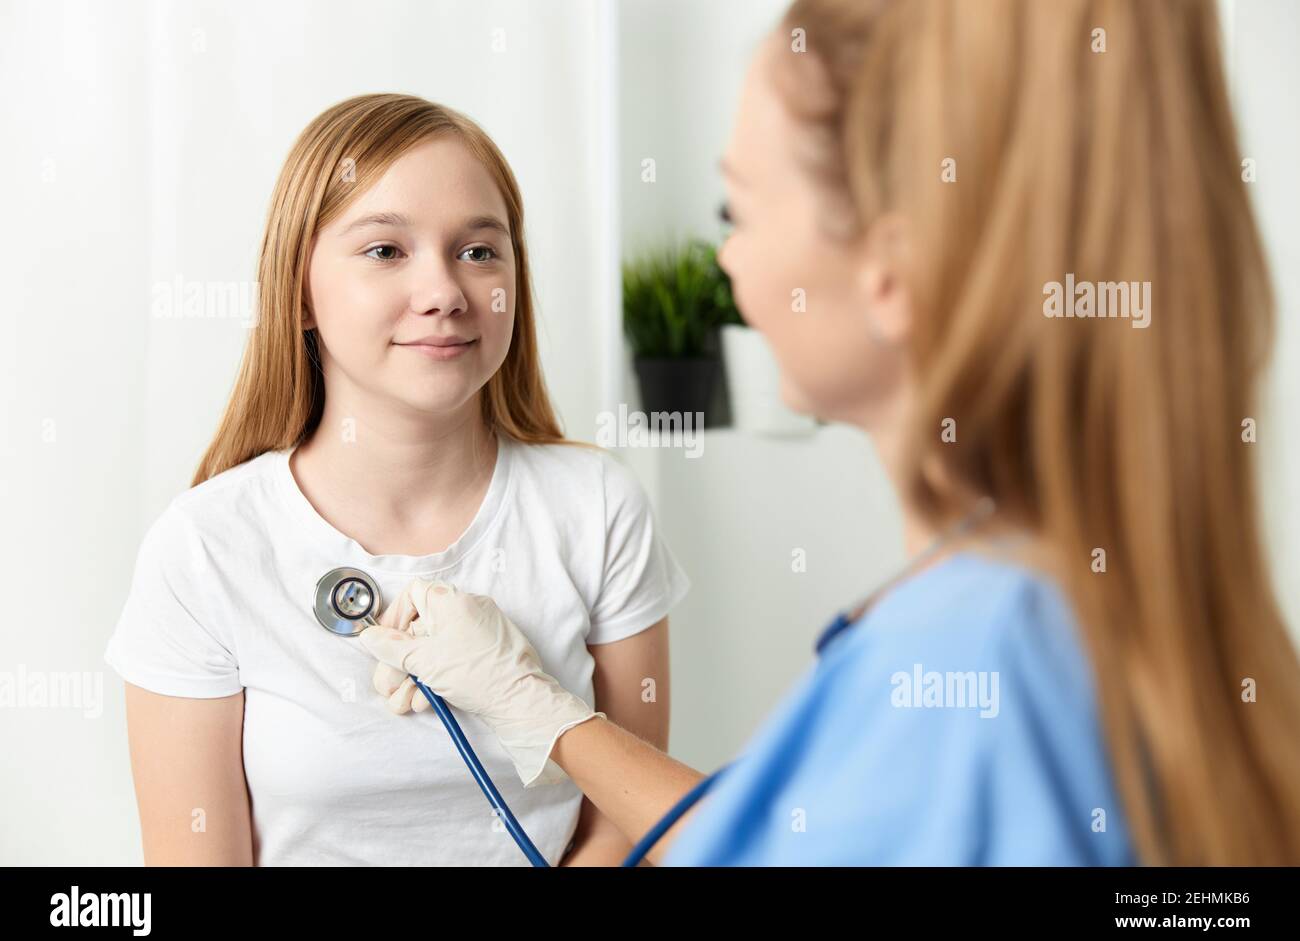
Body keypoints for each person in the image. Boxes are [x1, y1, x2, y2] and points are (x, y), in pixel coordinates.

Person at [357, 0, 1300, 865]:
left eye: (741, 213)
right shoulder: (1045, 601)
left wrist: (531, 707)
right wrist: (543, 713)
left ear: (893, 271)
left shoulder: (973, 657)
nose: (727, 261)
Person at [104, 93, 690, 866]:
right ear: (300, 292)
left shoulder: (597, 508)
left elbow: (626, 826)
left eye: (479, 251)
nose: (445, 291)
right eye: (385, 251)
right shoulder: (207, 547)